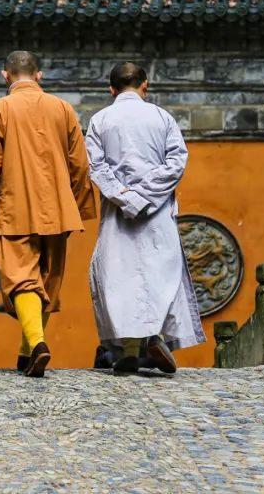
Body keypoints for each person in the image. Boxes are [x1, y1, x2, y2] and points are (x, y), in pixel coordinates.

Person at [0, 51, 95, 377]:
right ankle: (27, 352)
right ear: (39, 75)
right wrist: (76, 205)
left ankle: (35, 343)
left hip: (15, 207)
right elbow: (80, 164)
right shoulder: (63, 108)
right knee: (47, 280)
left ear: (4, 75)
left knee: (22, 278)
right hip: (57, 208)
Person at [85, 62, 205, 373]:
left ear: (111, 89)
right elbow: (176, 162)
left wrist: (125, 196)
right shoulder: (162, 117)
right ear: (145, 85)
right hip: (157, 210)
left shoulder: (100, 121)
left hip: (117, 212)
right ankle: (154, 337)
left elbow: (96, 167)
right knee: (159, 274)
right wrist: (146, 194)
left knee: (119, 278)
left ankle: (129, 348)